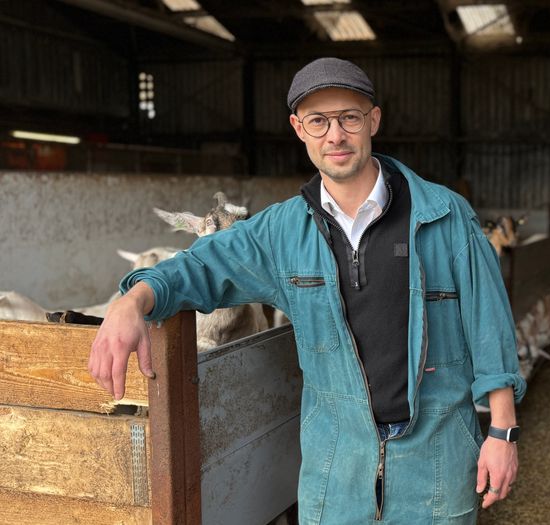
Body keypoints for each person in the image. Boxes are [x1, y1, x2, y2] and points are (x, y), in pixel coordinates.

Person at [88, 57, 526, 524]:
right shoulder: (281, 232)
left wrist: (502, 433)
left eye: (348, 118)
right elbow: (198, 266)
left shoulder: (444, 215)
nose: (334, 135)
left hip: (437, 462)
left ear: (373, 120)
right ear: (299, 129)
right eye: (318, 121)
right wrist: (132, 300)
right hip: (337, 471)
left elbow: (488, 324)